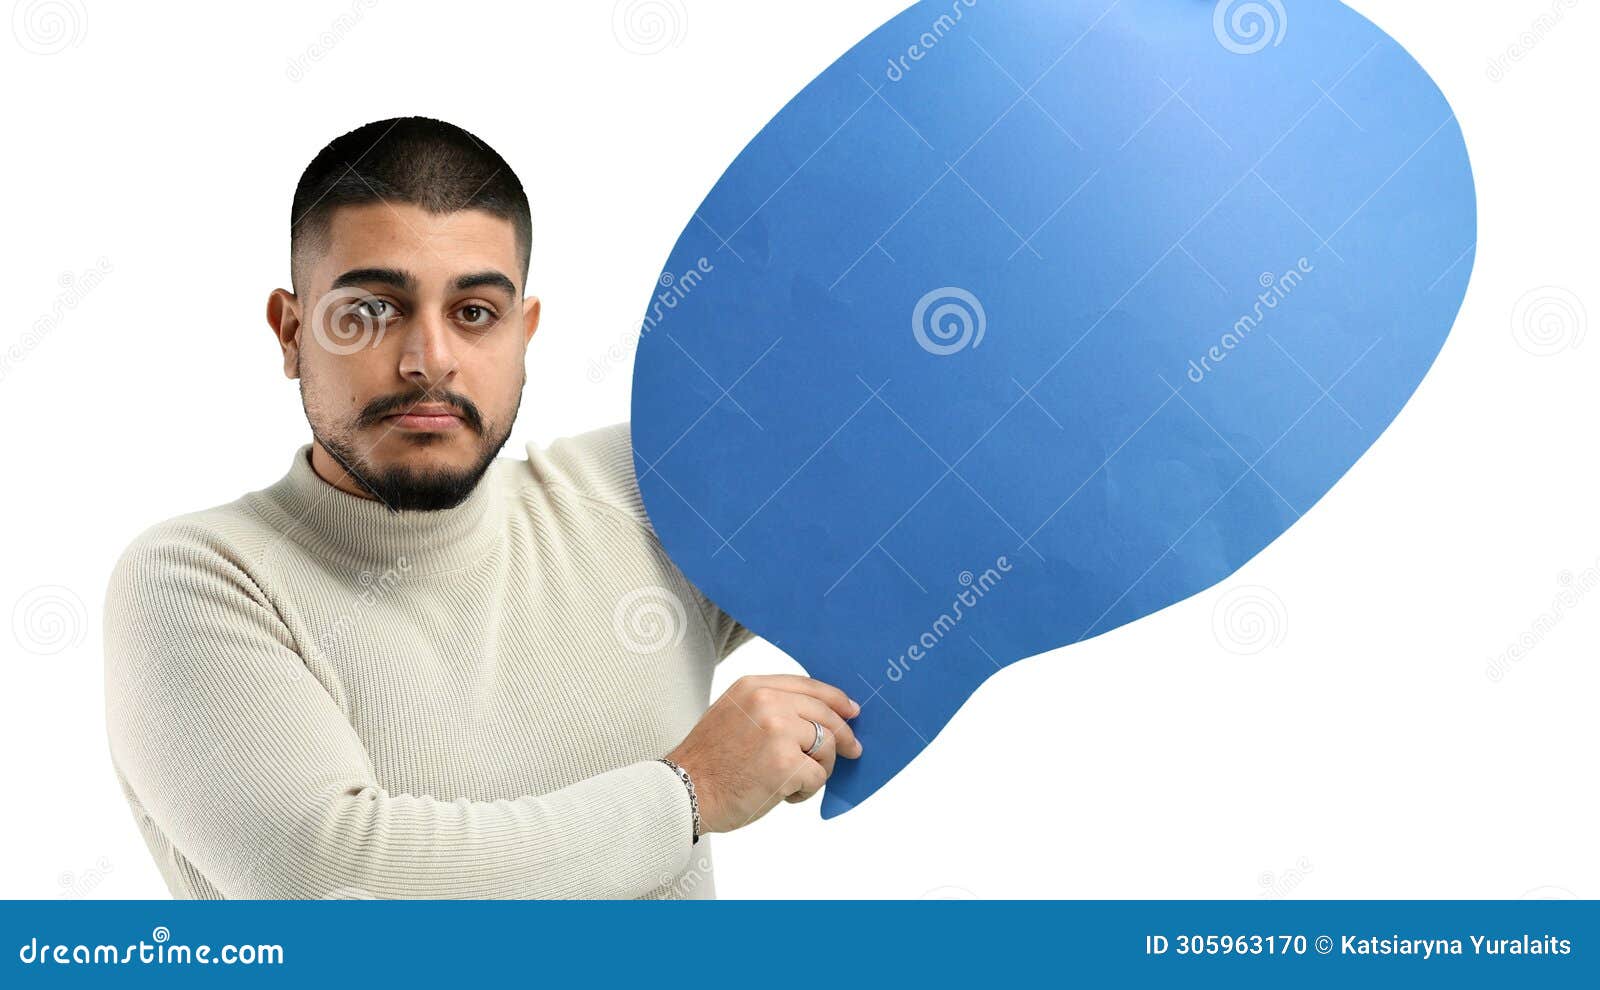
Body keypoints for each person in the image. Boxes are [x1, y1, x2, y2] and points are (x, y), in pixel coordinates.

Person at [102, 116, 862, 900]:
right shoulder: (198, 579)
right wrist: (691, 793)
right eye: (370, 311)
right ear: (292, 332)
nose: (428, 360)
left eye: (474, 313)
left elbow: (893, 449)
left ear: (523, 333)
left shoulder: (641, 493)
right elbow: (334, 885)